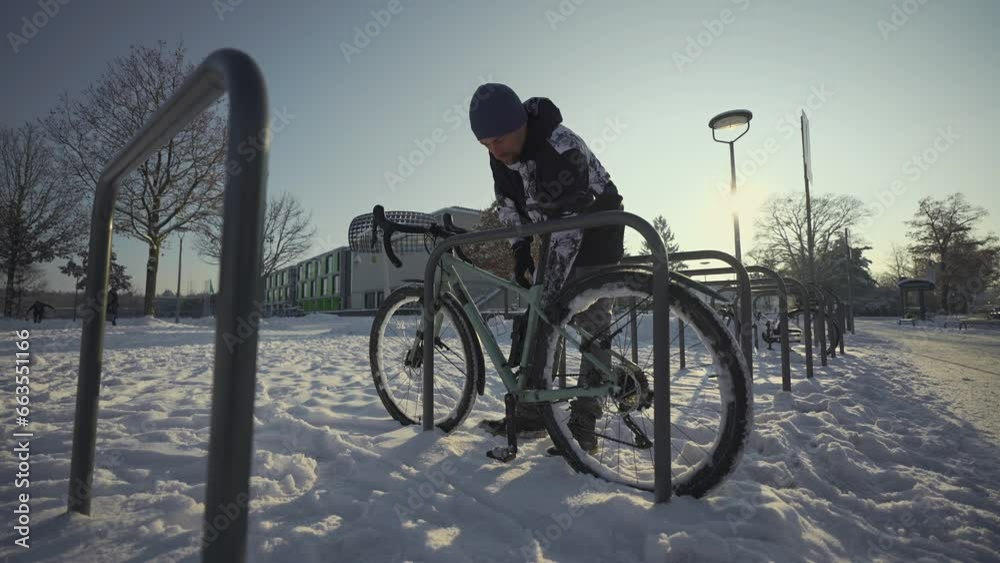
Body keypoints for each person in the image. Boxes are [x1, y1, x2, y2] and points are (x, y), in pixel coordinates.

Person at [469, 83, 624, 454]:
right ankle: (532, 411)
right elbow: (507, 203)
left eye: (501, 140)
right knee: (540, 316)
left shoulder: (561, 146)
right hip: (552, 231)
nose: (496, 151)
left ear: (520, 123)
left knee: (588, 321)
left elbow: (571, 226)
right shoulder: (500, 154)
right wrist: (520, 249)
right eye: (486, 144)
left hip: (596, 228)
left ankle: (584, 424)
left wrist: (553, 295)